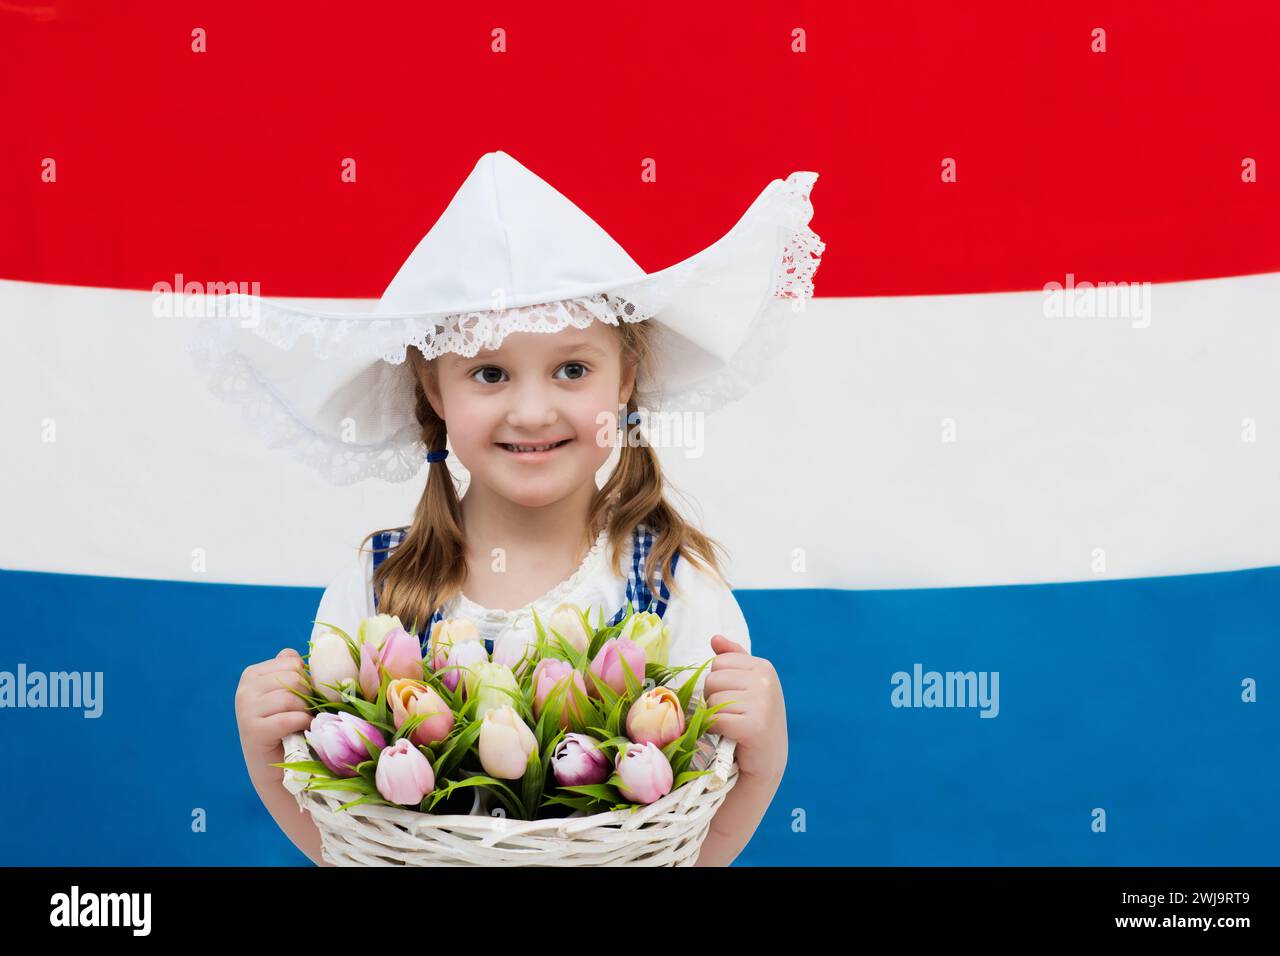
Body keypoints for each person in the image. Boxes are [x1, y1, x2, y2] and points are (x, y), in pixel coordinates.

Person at [212, 150, 823, 866]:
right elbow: (347, 843)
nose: (532, 410)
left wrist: (763, 761)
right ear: (436, 394)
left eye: (572, 369)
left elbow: (688, 849)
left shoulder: (674, 586)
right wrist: (266, 754)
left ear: (626, 379)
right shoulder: (376, 590)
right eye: (490, 373)